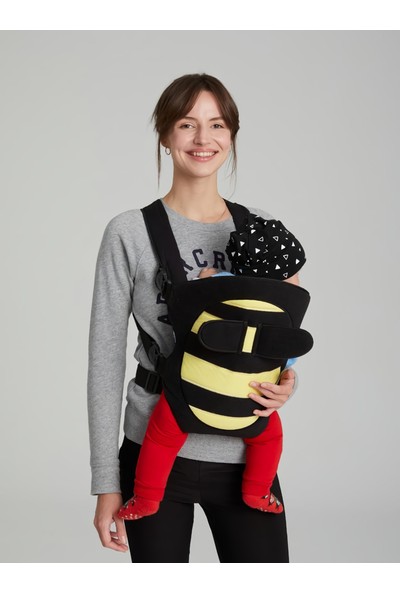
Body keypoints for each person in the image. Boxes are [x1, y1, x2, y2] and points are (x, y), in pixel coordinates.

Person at [88, 73, 301, 563]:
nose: (203, 138)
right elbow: (104, 360)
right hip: (153, 455)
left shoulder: (261, 231)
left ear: (232, 135)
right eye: (187, 124)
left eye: (217, 125)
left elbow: (281, 329)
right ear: (165, 135)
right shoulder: (130, 232)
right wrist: (106, 481)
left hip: (245, 454)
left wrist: (287, 383)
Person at [116, 213, 307, 521]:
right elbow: (287, 362)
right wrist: (288, 378)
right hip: (249, 406)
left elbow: (195, 295)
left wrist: (209, 275)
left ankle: (147, 497)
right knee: (269, 437)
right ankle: (257, 490)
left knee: (161, 436)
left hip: (189, 398)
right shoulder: (282, 319)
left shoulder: (217, 284)